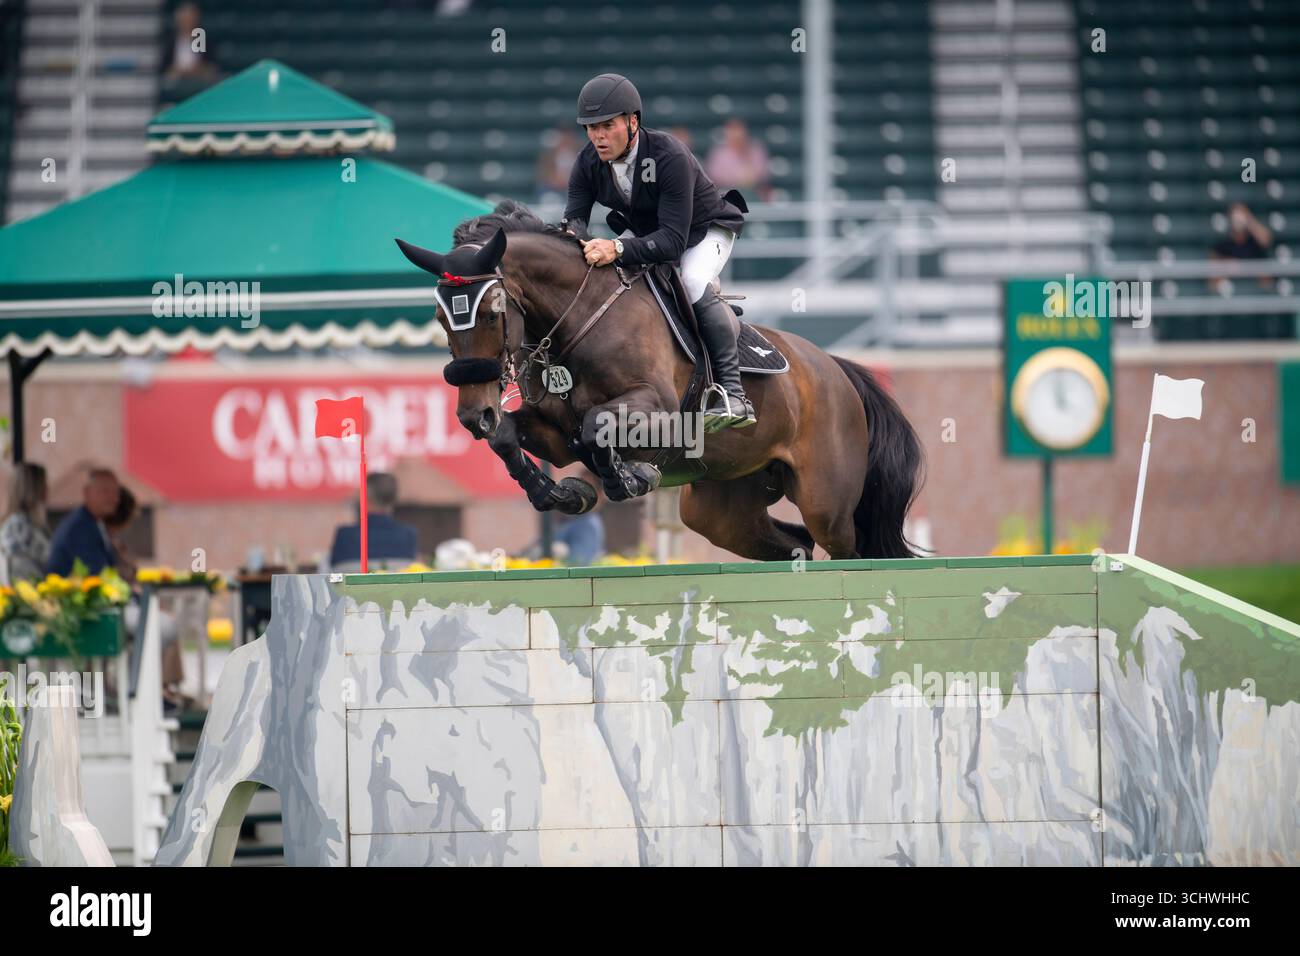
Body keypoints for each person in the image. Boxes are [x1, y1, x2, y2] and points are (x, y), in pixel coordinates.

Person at [562, 73, 755, 431]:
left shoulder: (668, 156)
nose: (598, 137)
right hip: (652, 231)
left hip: (703, 231)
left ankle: (733, 393)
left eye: (607, 126)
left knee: (693, 283)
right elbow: (574, 221)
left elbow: (672, 244)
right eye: (591, 128)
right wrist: (579, 246)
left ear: (632, 122)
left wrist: (616, 246)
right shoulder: (588, 162)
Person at [328, 473, 419, 571]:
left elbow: (330, 574)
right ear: (394, 498)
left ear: (364, 497)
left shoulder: (345, 536)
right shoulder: (408, 535)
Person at [47, 468, 121, 576]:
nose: (114, 498)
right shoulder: (79, 528)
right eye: (105, 491)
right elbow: (100, 573)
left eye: (116, 492)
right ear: (87, 492)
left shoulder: (93, 522)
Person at [0, 463, 52, 585]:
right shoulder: (19, 526)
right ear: (35, 487)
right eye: (43, 483)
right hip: (30, 598)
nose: (47, 487)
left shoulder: (23, 522)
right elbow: (21, 572)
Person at [706, 118, 772, 202]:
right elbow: (714, 176)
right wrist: (737, 178)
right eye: (732, 131)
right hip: (727, 196)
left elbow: (763, 174)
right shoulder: (719, 152)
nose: (736, 135)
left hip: (754, 194)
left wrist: (747, 156)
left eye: (739, 130)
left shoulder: (755, 149)